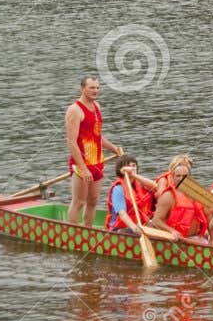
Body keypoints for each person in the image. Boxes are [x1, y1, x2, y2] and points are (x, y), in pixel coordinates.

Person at [65, 74, 122, 226]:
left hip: (98, 162)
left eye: (97, 88)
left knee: (93, 201)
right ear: (83, 89)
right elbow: (71, 142)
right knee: (79, 202)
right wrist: (83, 169)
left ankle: (88, 232)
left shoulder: (97, 107)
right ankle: (72, 234)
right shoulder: (75, 110)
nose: (95, 91)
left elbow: (97, 136)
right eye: (91, 88)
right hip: (82, 165)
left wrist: (114, 148)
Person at [151, 154, 212, 243]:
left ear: (189, 177)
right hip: (177, 240)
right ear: (172, 177)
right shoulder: (168, 196)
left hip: (196, 237)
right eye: (178, 176)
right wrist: (172, 231)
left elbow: (208, 216)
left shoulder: (196, 194)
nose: (181, 179)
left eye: (184, 176)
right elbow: (156, 220)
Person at [104, 154, 159, 235]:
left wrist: (134, 175)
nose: (132, 168)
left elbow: (156, 187)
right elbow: (122, 214)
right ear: (122, 170)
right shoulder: (118, 188)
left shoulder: (140, 183)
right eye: (129, 167)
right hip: (121, 227)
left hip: (140, 224)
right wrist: (135, 229)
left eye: (134, 166)